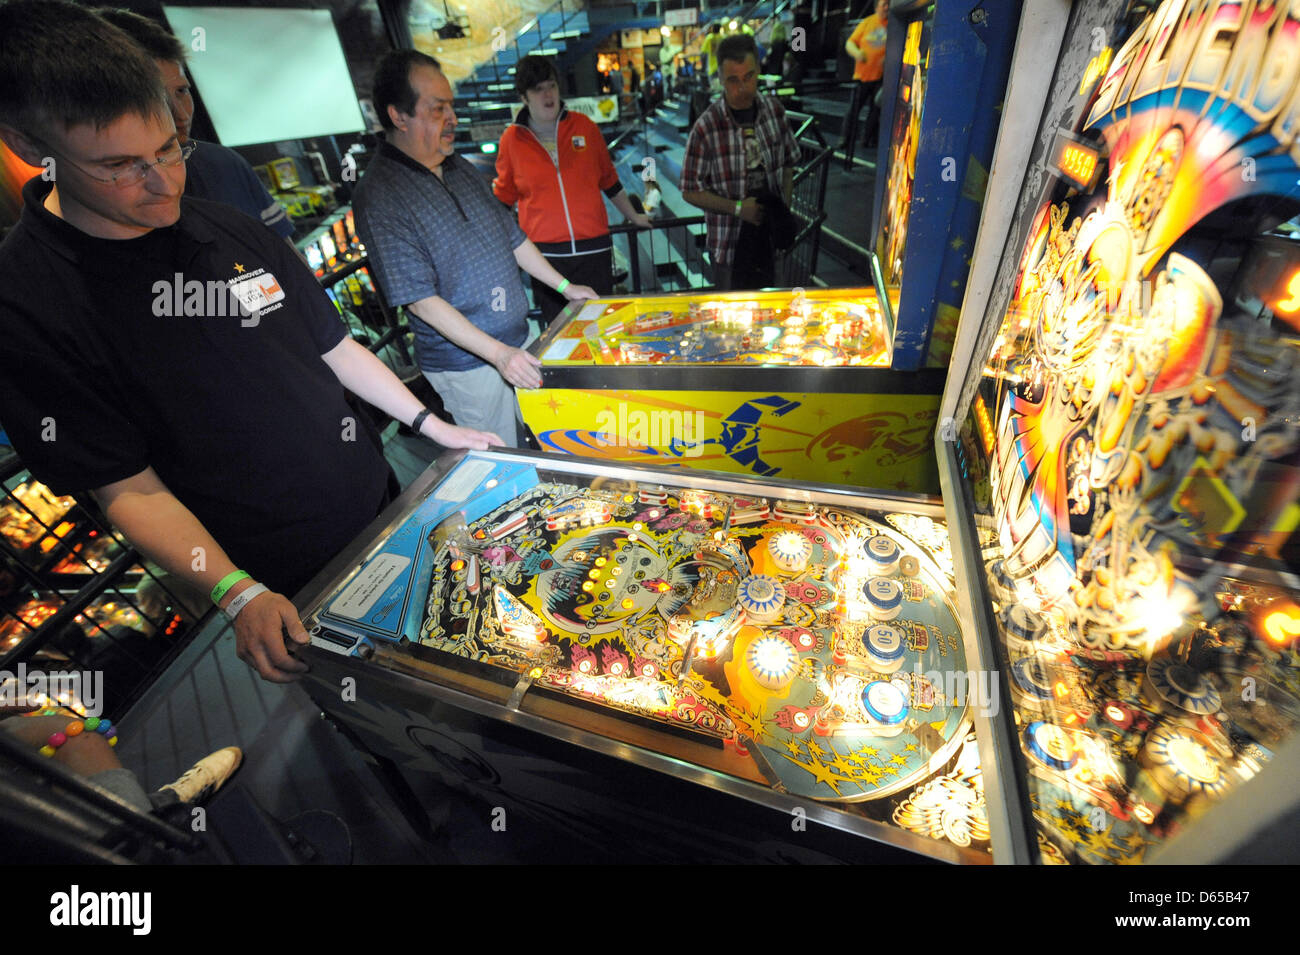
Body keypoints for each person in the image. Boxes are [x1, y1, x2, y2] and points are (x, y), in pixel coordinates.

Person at [0, 0, 498, 684]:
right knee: (386, 704)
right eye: (119, 165)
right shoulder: (26, 300)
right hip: (277, 569)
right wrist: (237, 591)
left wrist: (432, 424)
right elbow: (125, 487)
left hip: (382, 502)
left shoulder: (227, 227)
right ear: (32, 149)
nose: (162, 183)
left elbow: (331, 344)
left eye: (170, 148)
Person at [351, 51, 598, 447]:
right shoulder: (380, 196)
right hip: (468, 367)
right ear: (399, 117)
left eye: (451, 105)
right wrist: (499, 355)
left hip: (520, 340)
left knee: (555, 437)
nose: (452, 118)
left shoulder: (459, 166)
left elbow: (512, 237)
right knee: (505, 458)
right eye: (437, 109)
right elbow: (419, 300)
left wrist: (566, 287)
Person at [96, 7, 295, 243]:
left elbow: (289, 262)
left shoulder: (225, 164)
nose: (180, 114)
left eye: (182, 91)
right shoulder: (100, 191)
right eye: (156, 99)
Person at [493, 56, 651, 326]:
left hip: (595, 251)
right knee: (559, 333)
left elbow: (609, 181)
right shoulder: (512, 140)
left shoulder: (584, 127)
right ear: (524, 97)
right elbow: (502, 199)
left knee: (602, 326)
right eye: (538, 89)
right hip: (547, 260)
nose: (548, 94)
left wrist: (635, 217)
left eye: (551, 85)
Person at [681, 33, 801, 291]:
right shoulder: (706, 127)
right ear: (721, 80)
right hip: (729, 246)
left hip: (771, 240)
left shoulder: (774, 111)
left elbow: (790, 164)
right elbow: (689, 190)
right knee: (733, 322)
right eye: (733, 81)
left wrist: (784, 210)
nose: (742, 88)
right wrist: (737, 208)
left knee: (775, 314)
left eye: (749, 77)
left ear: (758, 69)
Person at [843, 0, 889, 166]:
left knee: (874, 111)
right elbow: (849, 43)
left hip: (881, 77)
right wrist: (857, 53)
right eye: (884, 4)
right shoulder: (867, 22)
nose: (887, 7)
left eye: (888, 3)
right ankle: (845, 139)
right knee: (853, 110)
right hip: (862, 76)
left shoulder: (893, 25)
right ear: (877, 6)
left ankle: (866, 139)